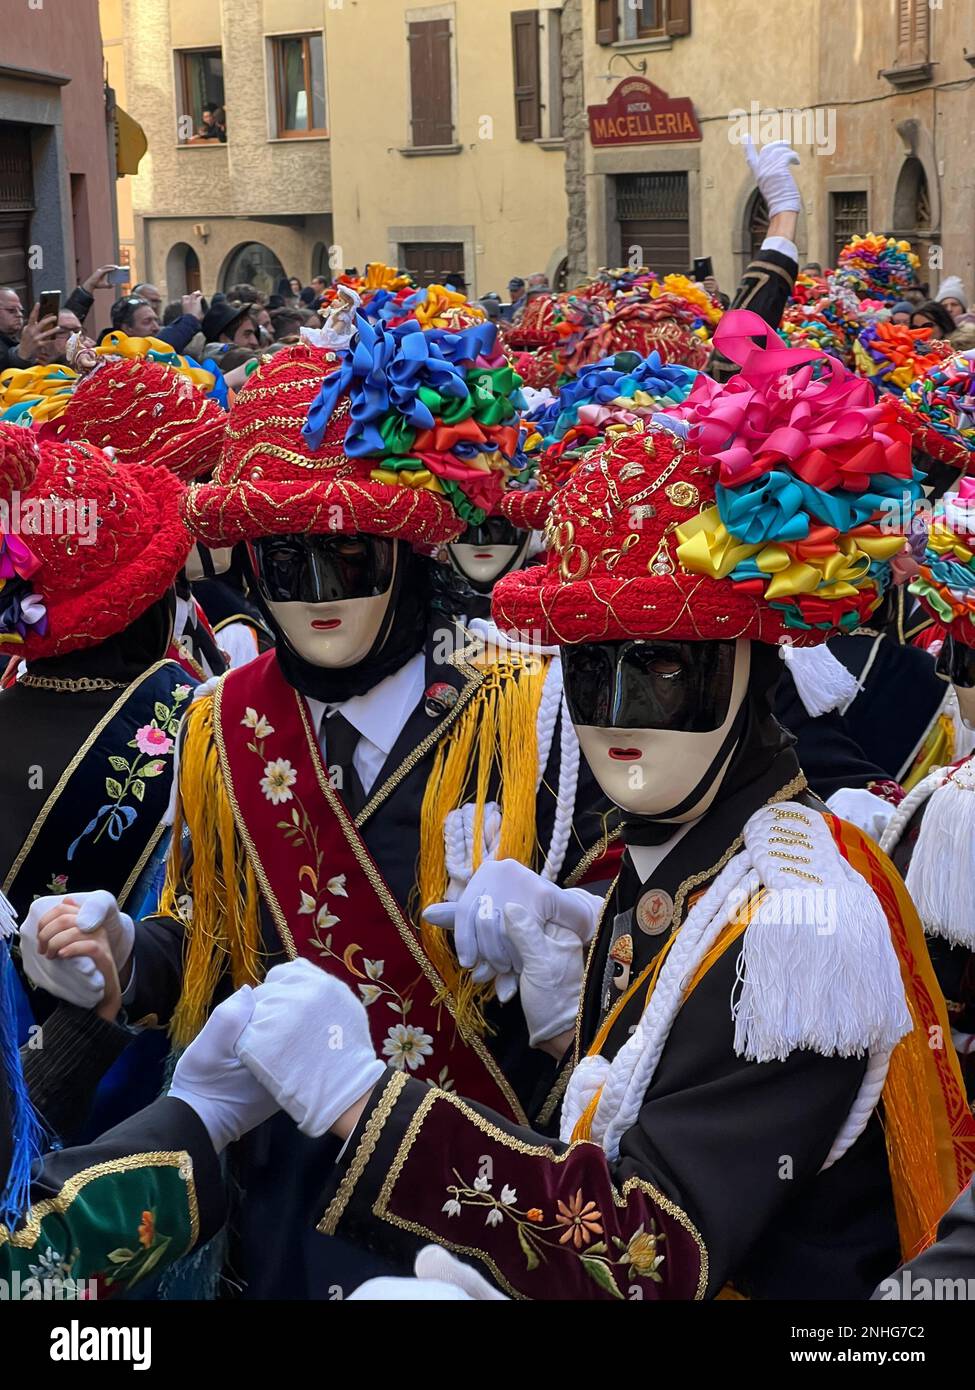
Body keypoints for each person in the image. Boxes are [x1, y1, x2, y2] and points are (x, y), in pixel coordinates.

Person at [229, 317, 975, 1302]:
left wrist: (365, 1104)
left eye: (666, 667)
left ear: (757, 665)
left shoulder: (800, 921)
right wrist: (574, 978)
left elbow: (650, 1252)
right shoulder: (687, 862)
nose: (621, 721)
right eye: (592, 668)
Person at [30, 326, 614, 1299]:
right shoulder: (222, 721)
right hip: (288, 1212)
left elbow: (622, 971)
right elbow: (213, 936)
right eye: (282, 562)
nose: (312, 598)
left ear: (401, 540)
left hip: (479, 1211)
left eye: (345, 557)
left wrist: (566, 979)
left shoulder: (530, 707)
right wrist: (129, 951)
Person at [108, 292, 205, 356]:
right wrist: (190, 319)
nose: (156, 327)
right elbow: (156, 351)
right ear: (127, 328)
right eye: (147, 322)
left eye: (156, 321)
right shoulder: (114, 356)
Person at [0, 290, 59, 372]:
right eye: (11, 310)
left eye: (21, 311)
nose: (20, 315)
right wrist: (22, 355)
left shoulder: (15, 340)